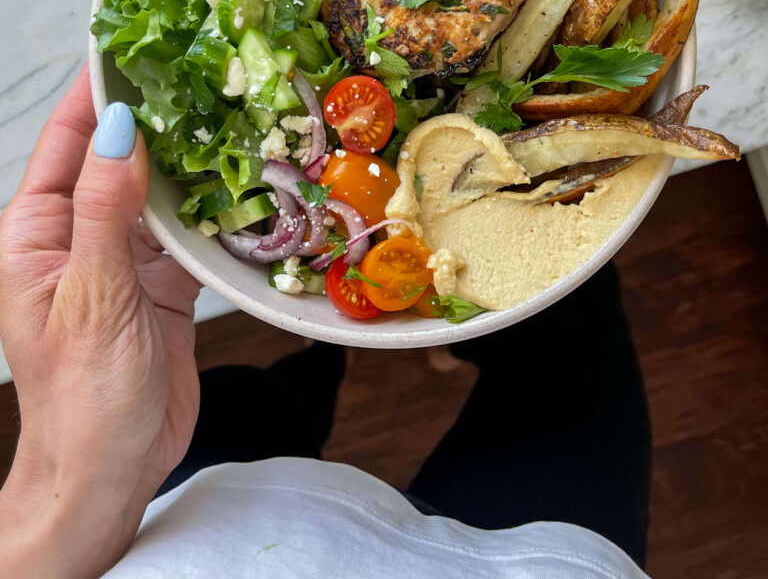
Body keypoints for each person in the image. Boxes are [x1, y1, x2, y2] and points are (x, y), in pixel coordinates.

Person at [0, 67, 653, 578]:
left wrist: (69, 493)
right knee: (574, 329)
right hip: (530, 560)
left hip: (182, 518)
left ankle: (322, 357)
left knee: (253, 404)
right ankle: (338, 345)